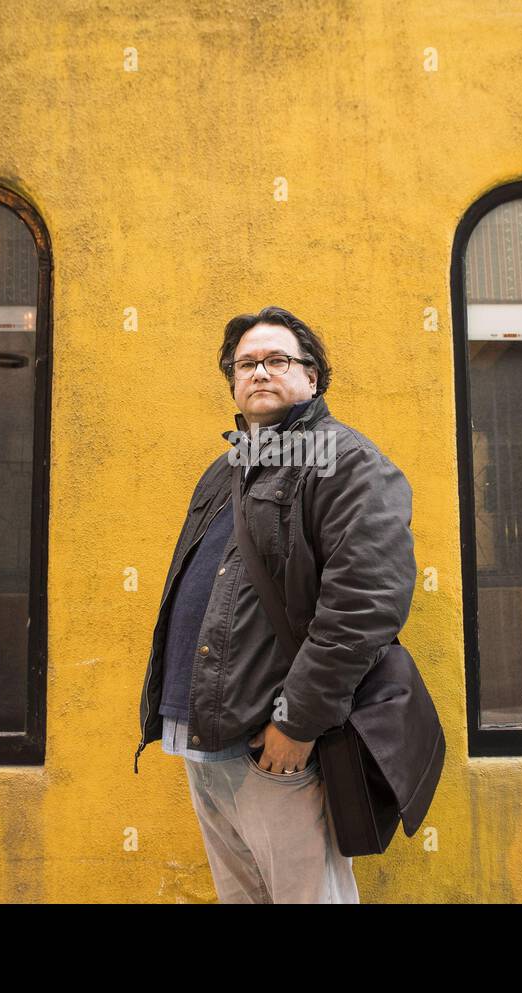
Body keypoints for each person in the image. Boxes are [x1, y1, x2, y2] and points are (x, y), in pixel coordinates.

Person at [134, 306, 417, 903]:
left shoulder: (346, 461)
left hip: (274, 740)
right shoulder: (225, 469)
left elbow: (364, 606)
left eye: (278, 360)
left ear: (312, 378)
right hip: (203, 731)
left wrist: (297, 722)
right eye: (246, 363)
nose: (260, 371)